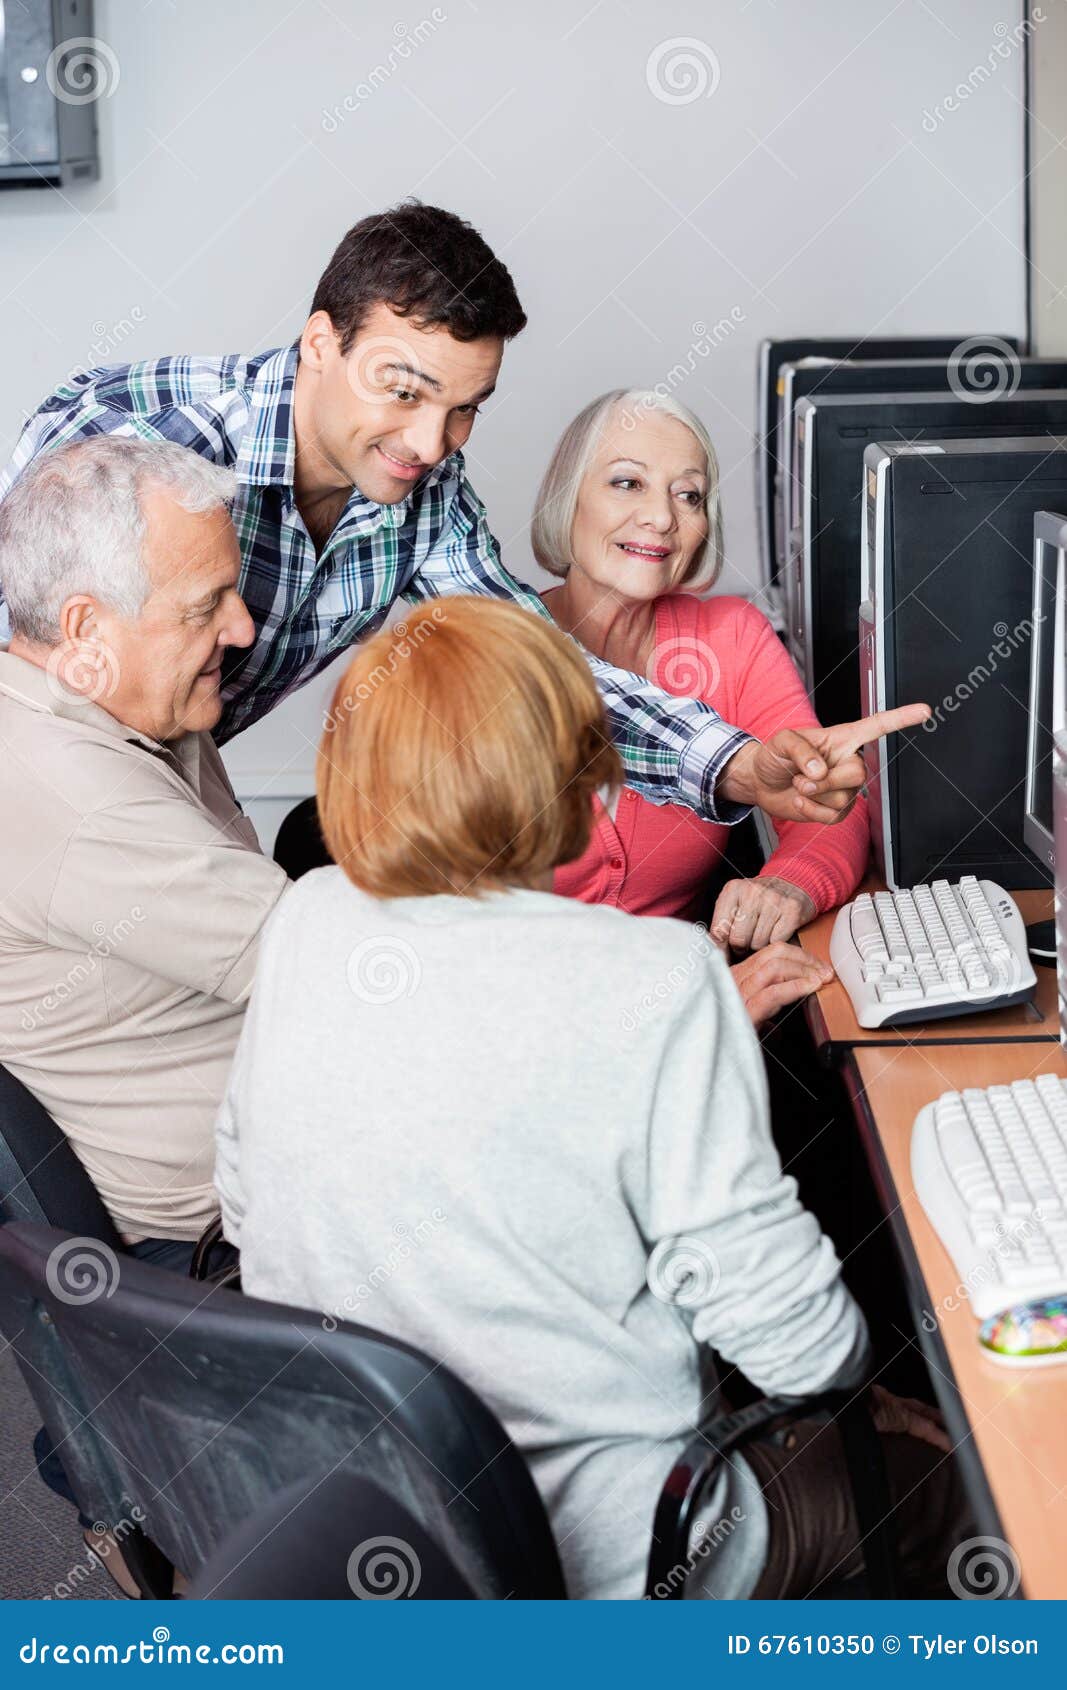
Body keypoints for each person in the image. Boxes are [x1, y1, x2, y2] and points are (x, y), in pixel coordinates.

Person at [215, 597, 961, 1602]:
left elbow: (245, 1206)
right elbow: (806, 1351)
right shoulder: (654, 973)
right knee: (960, 1486)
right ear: (578, 777)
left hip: (356, 1520)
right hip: (623, 1554)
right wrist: (863, 1393)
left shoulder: (305, 919)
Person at [0, 203, 876, 838]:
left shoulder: (423, 492)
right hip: (41, 800)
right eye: (402, 391)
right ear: (320, 344)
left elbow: (538, 670)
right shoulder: (131, 434)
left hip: (178, 784)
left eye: (464, 408)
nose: (429, 443)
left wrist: (737, 765)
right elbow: (25, 673)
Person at [0, 435, 286, 1587]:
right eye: (206, 605)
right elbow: (345, 974)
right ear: (84, 629)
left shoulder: (113, 710)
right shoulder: (71, 796)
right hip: (220, 1257)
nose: (244, 630)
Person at [536, 389, 870, 1027]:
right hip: (521, 1030)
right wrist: (678, 1013)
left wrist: (788, 883)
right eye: (627, 483)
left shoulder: (731, 636)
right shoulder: (485, 652)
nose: (661, 517)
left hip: (678, 1012)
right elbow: (449, 932)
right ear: (566, 498)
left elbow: (828, 808)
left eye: (688, 495)